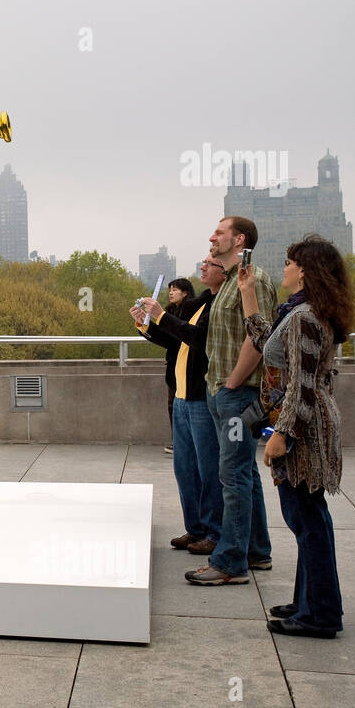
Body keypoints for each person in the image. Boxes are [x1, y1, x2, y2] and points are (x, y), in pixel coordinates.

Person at [238, 235, 351, 638]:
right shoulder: (303, 311)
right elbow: (267, 344)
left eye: (288, 263)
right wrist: (248, 294)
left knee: (307, 520)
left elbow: (300, 385)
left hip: (302, 425)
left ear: (303, 269)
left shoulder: (304, 316)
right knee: (309, 518)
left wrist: (281, 435)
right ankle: (312, 601)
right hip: (309, 420)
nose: (284, 269)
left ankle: (319, 613)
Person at [186, 216, 277, 586]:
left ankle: (230, 562)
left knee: (234, 477)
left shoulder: (253, 281)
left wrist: (231, 385)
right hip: (223, 392)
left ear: (239, 240)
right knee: (245, 474)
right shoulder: (227, 283)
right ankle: (256, 550)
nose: (211, 237)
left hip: (236, 395)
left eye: (219, 233)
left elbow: (259, 337)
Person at [132, 260, 223, 553]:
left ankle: (213, 532)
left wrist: (159, 315)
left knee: (207, 469)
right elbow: (175, 341)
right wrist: (144, 324)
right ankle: (195, 529)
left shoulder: (219, 304)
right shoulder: (200, 303)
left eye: (212, 262)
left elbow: (197, 339)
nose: (204, 264)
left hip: (200, 396)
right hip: (182, 395)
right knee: (185, 468)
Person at [158, 278, 195, 454]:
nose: (171, 293)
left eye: (175, 289)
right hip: (173, 366)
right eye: (170, 290)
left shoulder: (191, 312)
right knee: (172, 404)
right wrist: (145, 325)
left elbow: (178, 337)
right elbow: (165, 339)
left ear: (185, 292)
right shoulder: (170, 311)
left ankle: (184, 443)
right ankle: (177, 441)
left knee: (183, 405)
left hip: (189, 367)